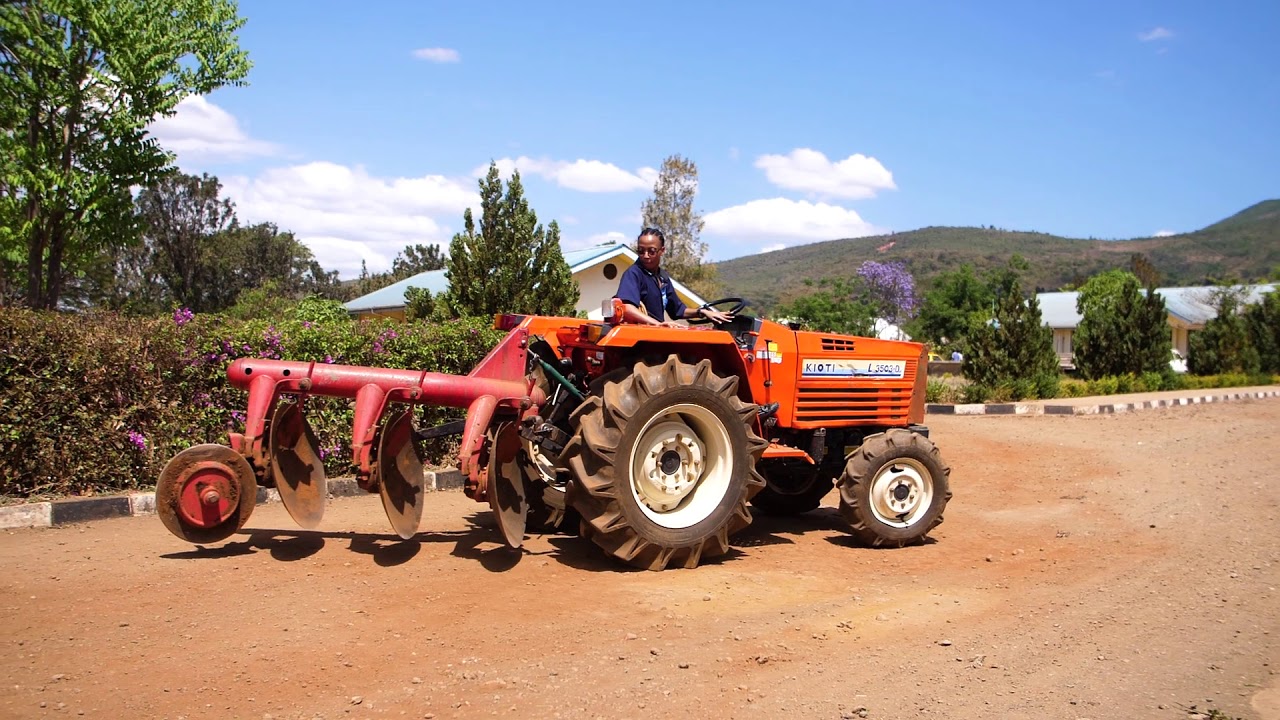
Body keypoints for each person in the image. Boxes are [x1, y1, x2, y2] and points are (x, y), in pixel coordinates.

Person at [615, 227, 733, 326]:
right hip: (638, 342)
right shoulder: (634, 273)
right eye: (641, 251)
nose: (645, 256)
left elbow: (678, 310)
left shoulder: (662, 277)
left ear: (662, 251)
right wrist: (657, 325)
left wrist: (703, 312)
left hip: (655, 339)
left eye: (651, 251)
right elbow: (627, 307)